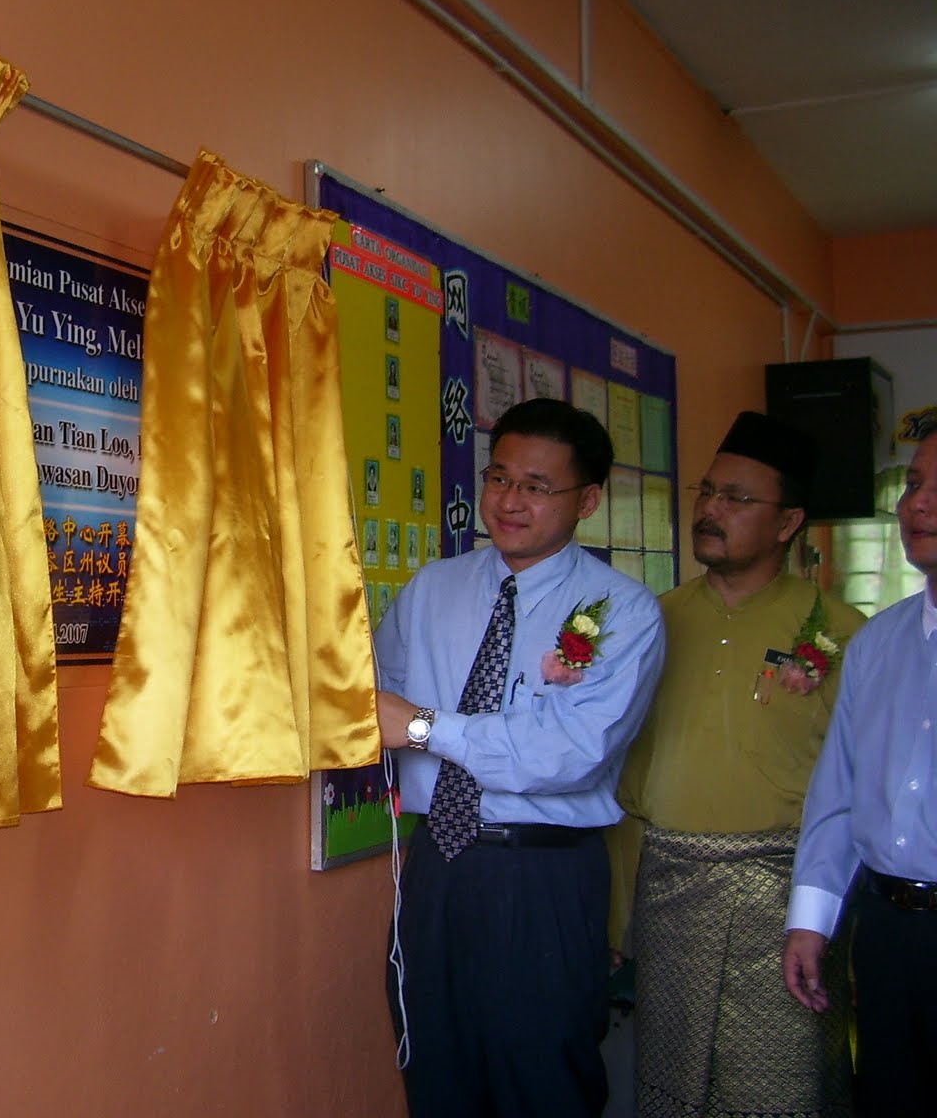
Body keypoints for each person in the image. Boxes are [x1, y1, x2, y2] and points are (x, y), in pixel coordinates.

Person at [374, 397, 666, 1117]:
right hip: (438, 868)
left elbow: (571, 754)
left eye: (537, 486)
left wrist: (423, 729)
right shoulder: (432, 589)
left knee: (542, 1079)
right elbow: (374, 705)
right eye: (499, 477)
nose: (508, 501)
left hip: (543, 876)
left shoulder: (622, 611)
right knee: (434, 1068)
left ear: (588, 500)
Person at [610, 411, 864, 1118]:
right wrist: (614, 919)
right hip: (668, 899)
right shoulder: (648, 621)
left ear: (788, 523)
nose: (711, 510)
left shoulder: (844, 634)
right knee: (670, 1086)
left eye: (737, 498)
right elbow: (624, 781)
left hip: (788, 906)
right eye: (707, 492)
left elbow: (864, 793)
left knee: (782, 1092)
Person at [784, 422, 937, 1114]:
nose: (918, 505)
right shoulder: (879, 641)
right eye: (913, 485)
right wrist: (811, 918)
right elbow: (839, 790)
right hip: (888, 932)